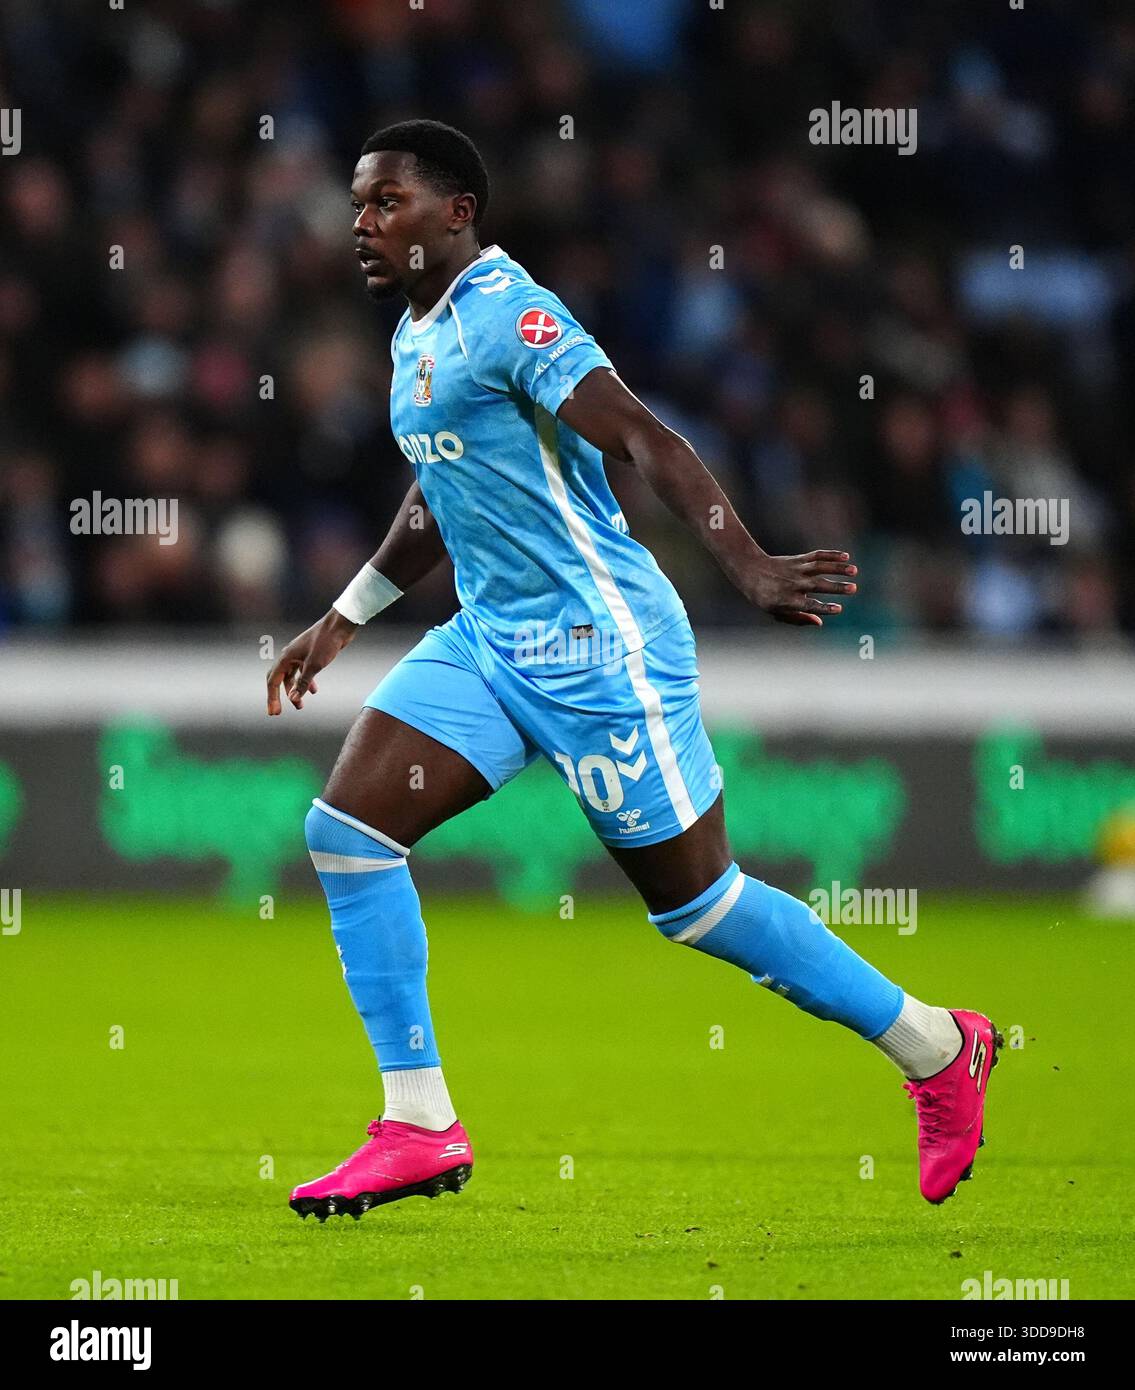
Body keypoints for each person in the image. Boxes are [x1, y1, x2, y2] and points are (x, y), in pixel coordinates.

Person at [267, 121, 1000, 1222]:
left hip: (598, 647)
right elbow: (441, 488)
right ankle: (417, 1122)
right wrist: (344, 614)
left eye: (386, 203)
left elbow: (640, 434)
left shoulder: (514, 314)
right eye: (358, 205)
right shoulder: (416, 334)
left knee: (698, 907)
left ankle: (936, 1046)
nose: (361, 225)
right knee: (347, 834)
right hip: (490, 639)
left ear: (457, 210)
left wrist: (745, 563)